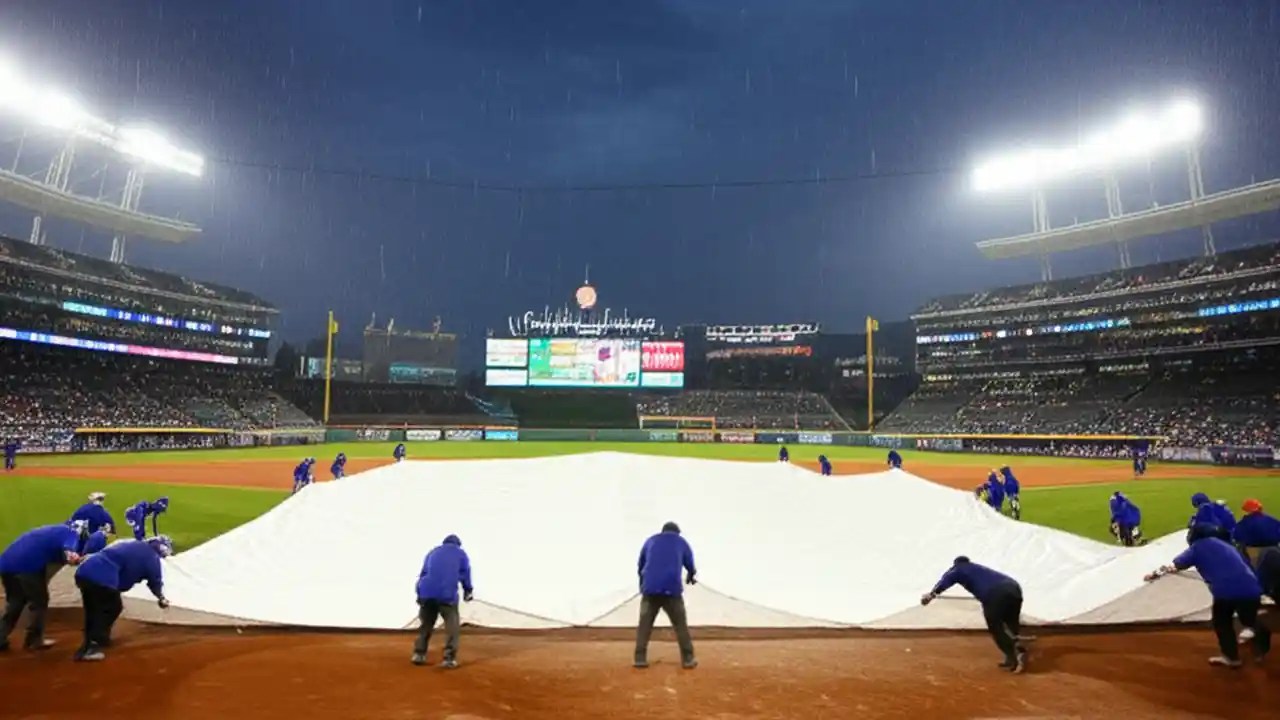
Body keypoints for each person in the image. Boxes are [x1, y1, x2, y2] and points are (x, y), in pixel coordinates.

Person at [1143, 524, 1270, 668]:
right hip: (1252, 588)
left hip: (1226, 593)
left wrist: (1153, 574)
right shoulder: (1227, 545)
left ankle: (1231, 657)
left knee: (1222, 623)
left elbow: (1173, 566)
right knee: (1249, 619)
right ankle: (1263, 648)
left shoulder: (1197, 548)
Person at [921, 557, 1028, 673]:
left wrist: (931, 594)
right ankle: (1014, 650)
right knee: (1010, 622)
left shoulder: (959, 569)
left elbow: (947, 579)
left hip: (995, 593)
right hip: (1014, 588)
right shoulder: (979, 568)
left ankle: (1015, 654)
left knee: (995, 626)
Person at [73, 536, 172, 661]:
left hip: (84, 572)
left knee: (93, 610)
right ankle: (92, 645)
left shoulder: (132, 544)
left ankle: (98, 639)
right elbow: (155, 581)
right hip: (101, 578)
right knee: (112, 608)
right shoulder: (152, 558)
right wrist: (161, 597)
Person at [0, 524, 85, 651]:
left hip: (5, 564)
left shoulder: (51, 530)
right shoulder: (71, 534)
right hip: (27, 567)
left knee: (15, 602)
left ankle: (1, 637)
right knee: (39, 602)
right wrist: (72, 555)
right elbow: (69, 547)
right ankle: (34, 640)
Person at [634, 521, 698, 670]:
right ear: (677, 532)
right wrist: (691, 575)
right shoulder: (681, 542)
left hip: (649, 590)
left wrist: (644, 583)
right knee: (680, 625)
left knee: (645, 625)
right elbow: (690, 562)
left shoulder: (650, 540)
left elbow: (640, 565)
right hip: (672, 590)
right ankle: (688, 659)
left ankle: (639, 658)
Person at [412, 534, 473, 669]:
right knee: (452, 627)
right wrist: (468, 591)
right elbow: (465, 574)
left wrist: (420, 594)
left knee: (426, 625)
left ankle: (419, 654)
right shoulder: (461, 554)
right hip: (447, 595)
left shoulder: (433, 552)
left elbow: (423, 574)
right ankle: (449, 658)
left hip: (426, 593)